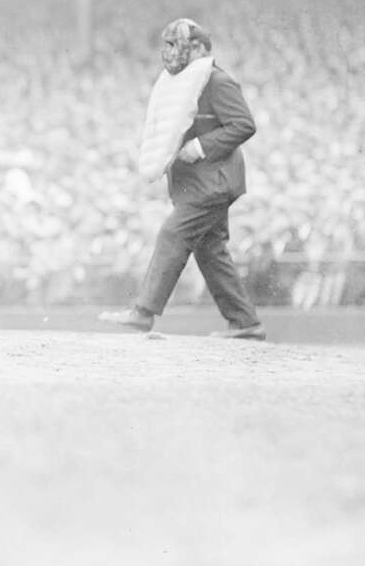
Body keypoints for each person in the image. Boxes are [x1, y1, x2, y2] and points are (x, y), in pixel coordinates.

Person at [100, 18, 266, 340]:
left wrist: (202, 146)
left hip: (211, 184)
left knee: (172, 234)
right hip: (197, 185)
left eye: (182, 46)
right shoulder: (183, 84)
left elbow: (244, 124)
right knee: (210, 251)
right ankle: (245, 322)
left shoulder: (216, 81)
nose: (173, 52)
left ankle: (143, 312)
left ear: (201, 49)